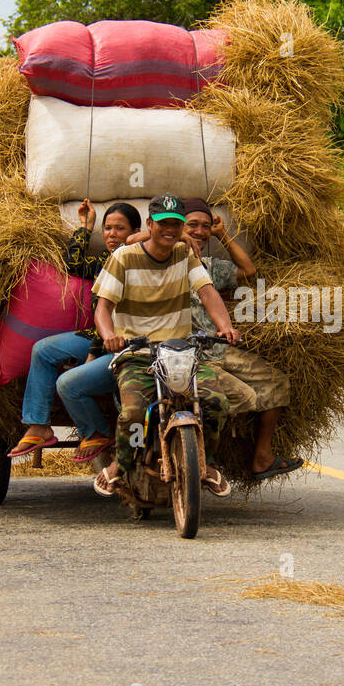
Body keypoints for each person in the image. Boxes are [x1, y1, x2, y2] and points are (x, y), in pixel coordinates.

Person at [91, 193, 238, 499]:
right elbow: (103, 308)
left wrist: (225, 326)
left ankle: (206, 464)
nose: (170, 229)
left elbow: (208, 292)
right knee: (132, 412)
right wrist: (109, 335)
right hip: (137, 354)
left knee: (216, 403)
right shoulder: (124, 257)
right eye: (163, 223)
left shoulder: (185, 254)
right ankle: (121, 464)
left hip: (180, 353)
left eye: (176, 223)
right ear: (150, 225)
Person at [178, 199, 302, 480]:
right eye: (192, 225)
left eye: (205, 227)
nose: (199, 231)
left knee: (277, 381)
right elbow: (132, 242)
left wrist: (223, 234)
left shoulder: (208, 267)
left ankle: (261, 457)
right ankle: (193, 453)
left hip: (217, 349)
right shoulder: (160, 260)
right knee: (219, 399)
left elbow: (248, 272)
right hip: (181, 353)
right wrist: (178, 236)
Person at [8, 200, 141, 458]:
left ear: (135, 231)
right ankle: (39, 425)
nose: (112, 234)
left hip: (120, 341)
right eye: (108, 228)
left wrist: (93, 352)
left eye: (120, 229)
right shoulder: (105, 259)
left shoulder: (141, 261)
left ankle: (95, 431)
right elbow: (74, 263)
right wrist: (85, 226)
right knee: (43, 350)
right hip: (96, 336)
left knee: (69, 383)